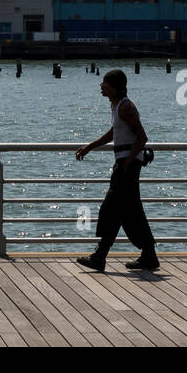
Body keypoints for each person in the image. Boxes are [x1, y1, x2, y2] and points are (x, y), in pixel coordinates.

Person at [74, 69, 159, 273]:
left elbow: (142, 138)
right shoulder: (117, 106)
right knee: (128, 211)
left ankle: (100, 256)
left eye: (105, 84)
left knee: (113, 208)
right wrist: (90, 147)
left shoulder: (126, 107)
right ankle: (148, 256)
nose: (101, 86)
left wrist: (128, 163)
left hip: (127, 165)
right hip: (124, 163)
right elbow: (115, 132)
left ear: (116, 87)